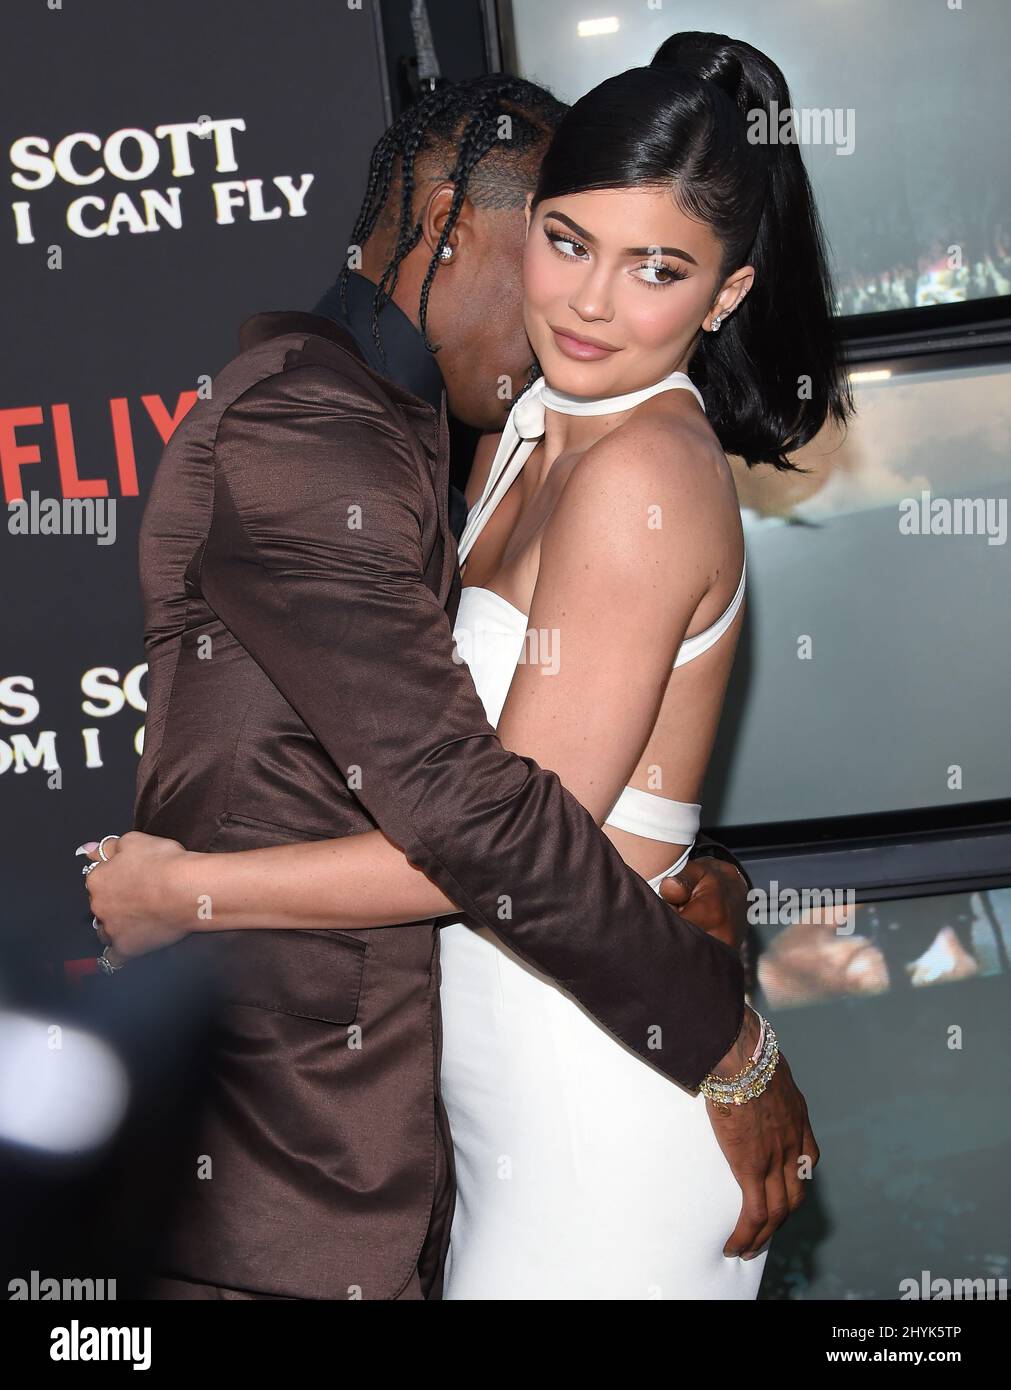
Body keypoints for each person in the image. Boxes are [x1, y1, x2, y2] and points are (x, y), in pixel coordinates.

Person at [83, 39, 824, 1301]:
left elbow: (504, 838)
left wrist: (187, 893)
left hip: (590, 1113)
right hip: (488, 1107)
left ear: (726, 293)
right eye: (571, 242)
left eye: (657, 270)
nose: (590, 304)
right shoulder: (519, 428)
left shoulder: (642, 471)